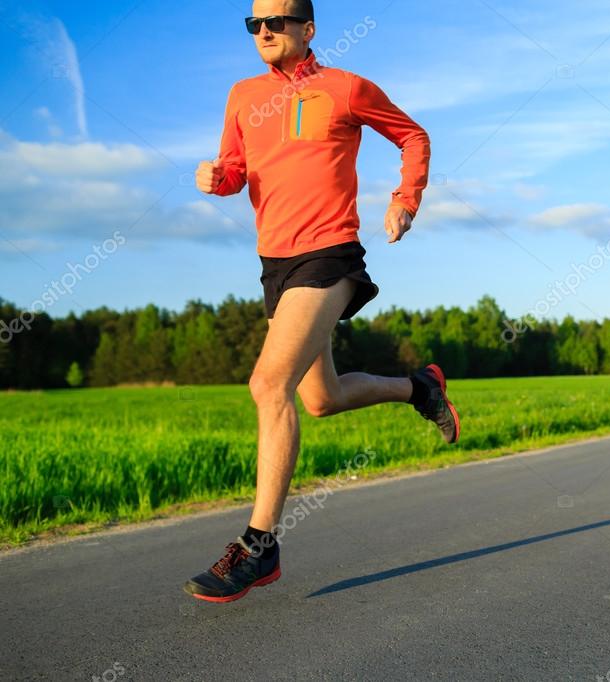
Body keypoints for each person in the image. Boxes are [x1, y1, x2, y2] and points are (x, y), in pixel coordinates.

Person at [184, 0, 460, 603]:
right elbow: (236, 171)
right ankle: (421, 389)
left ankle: (259, 547)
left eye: (276, 22)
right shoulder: (241, 95)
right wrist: (216, 178)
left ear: (307, 30)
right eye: (253, 23)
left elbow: (413, 135)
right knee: (320, 399)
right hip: (274, 263)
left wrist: (405, 199)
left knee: (267, 385)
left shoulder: (345, 88)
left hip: (329, 253)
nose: (263, 32)